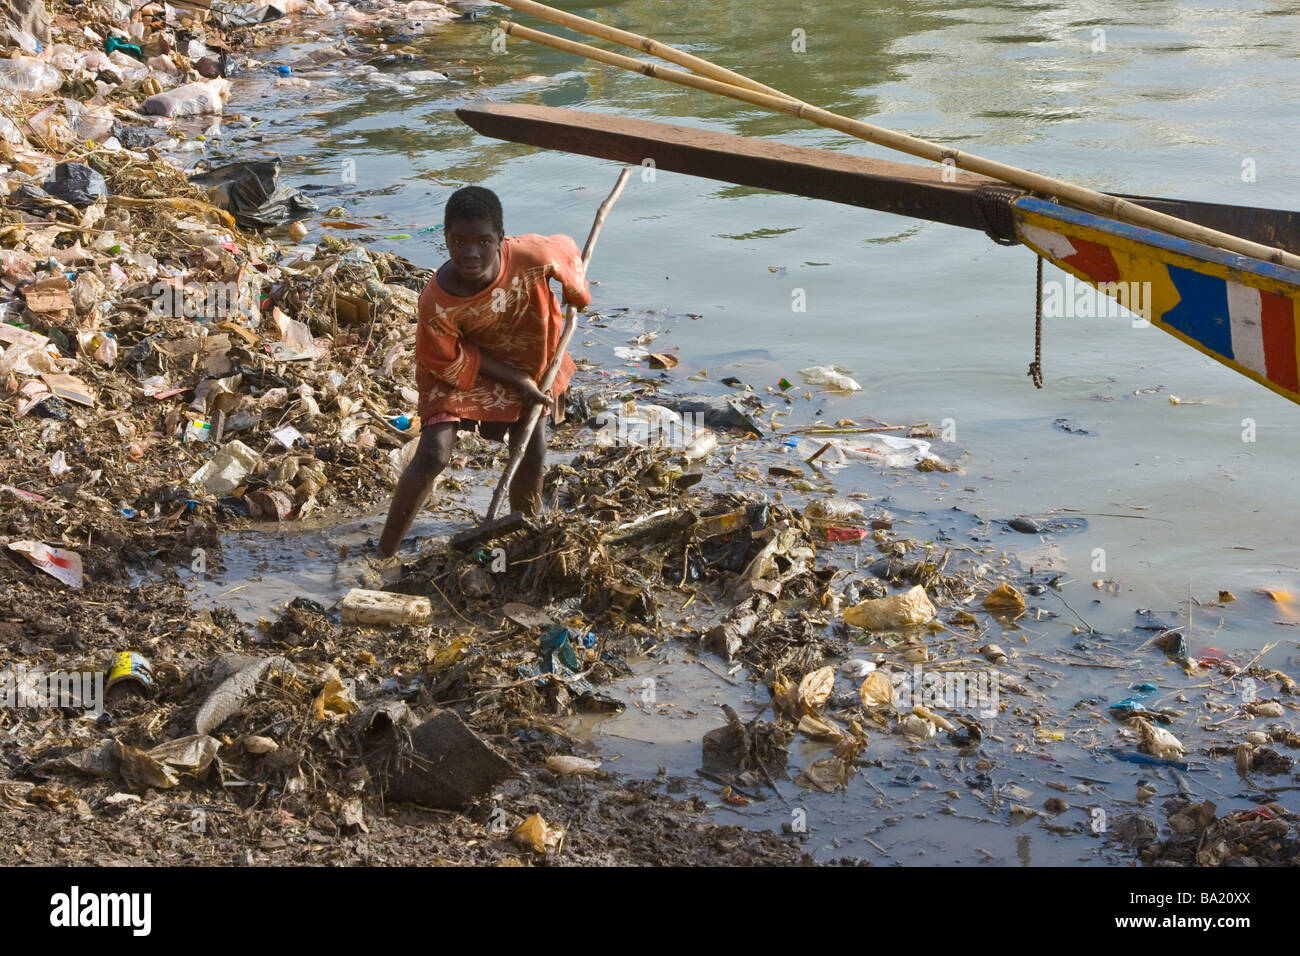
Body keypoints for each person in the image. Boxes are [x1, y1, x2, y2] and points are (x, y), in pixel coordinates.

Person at [377, 186, 589, 557]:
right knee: (433, 454)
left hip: (528, 359)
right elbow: (445, 359)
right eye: (458, 241)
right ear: (445, 239)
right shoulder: (437, 300)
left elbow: (567, 250)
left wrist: (576, 292)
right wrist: (516, 382)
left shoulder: (532, 257)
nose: (470, 253)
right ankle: (384, 551)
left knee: (532, 448)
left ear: (500, 239)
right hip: (459, 367)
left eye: (483, 242)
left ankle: (526, 539)